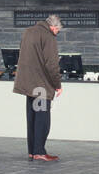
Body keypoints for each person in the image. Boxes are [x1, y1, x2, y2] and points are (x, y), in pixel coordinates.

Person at [13, 14, 63, 161]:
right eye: (57, 31)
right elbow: (52, 64)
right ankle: (40, 152)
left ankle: (32, 151)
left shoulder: (28, 31)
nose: (57, 34)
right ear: (53, 27)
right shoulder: (48, 37)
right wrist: (57, 85)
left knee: (32, 118)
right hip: (40, 87)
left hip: (28, 84)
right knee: (42, 120)